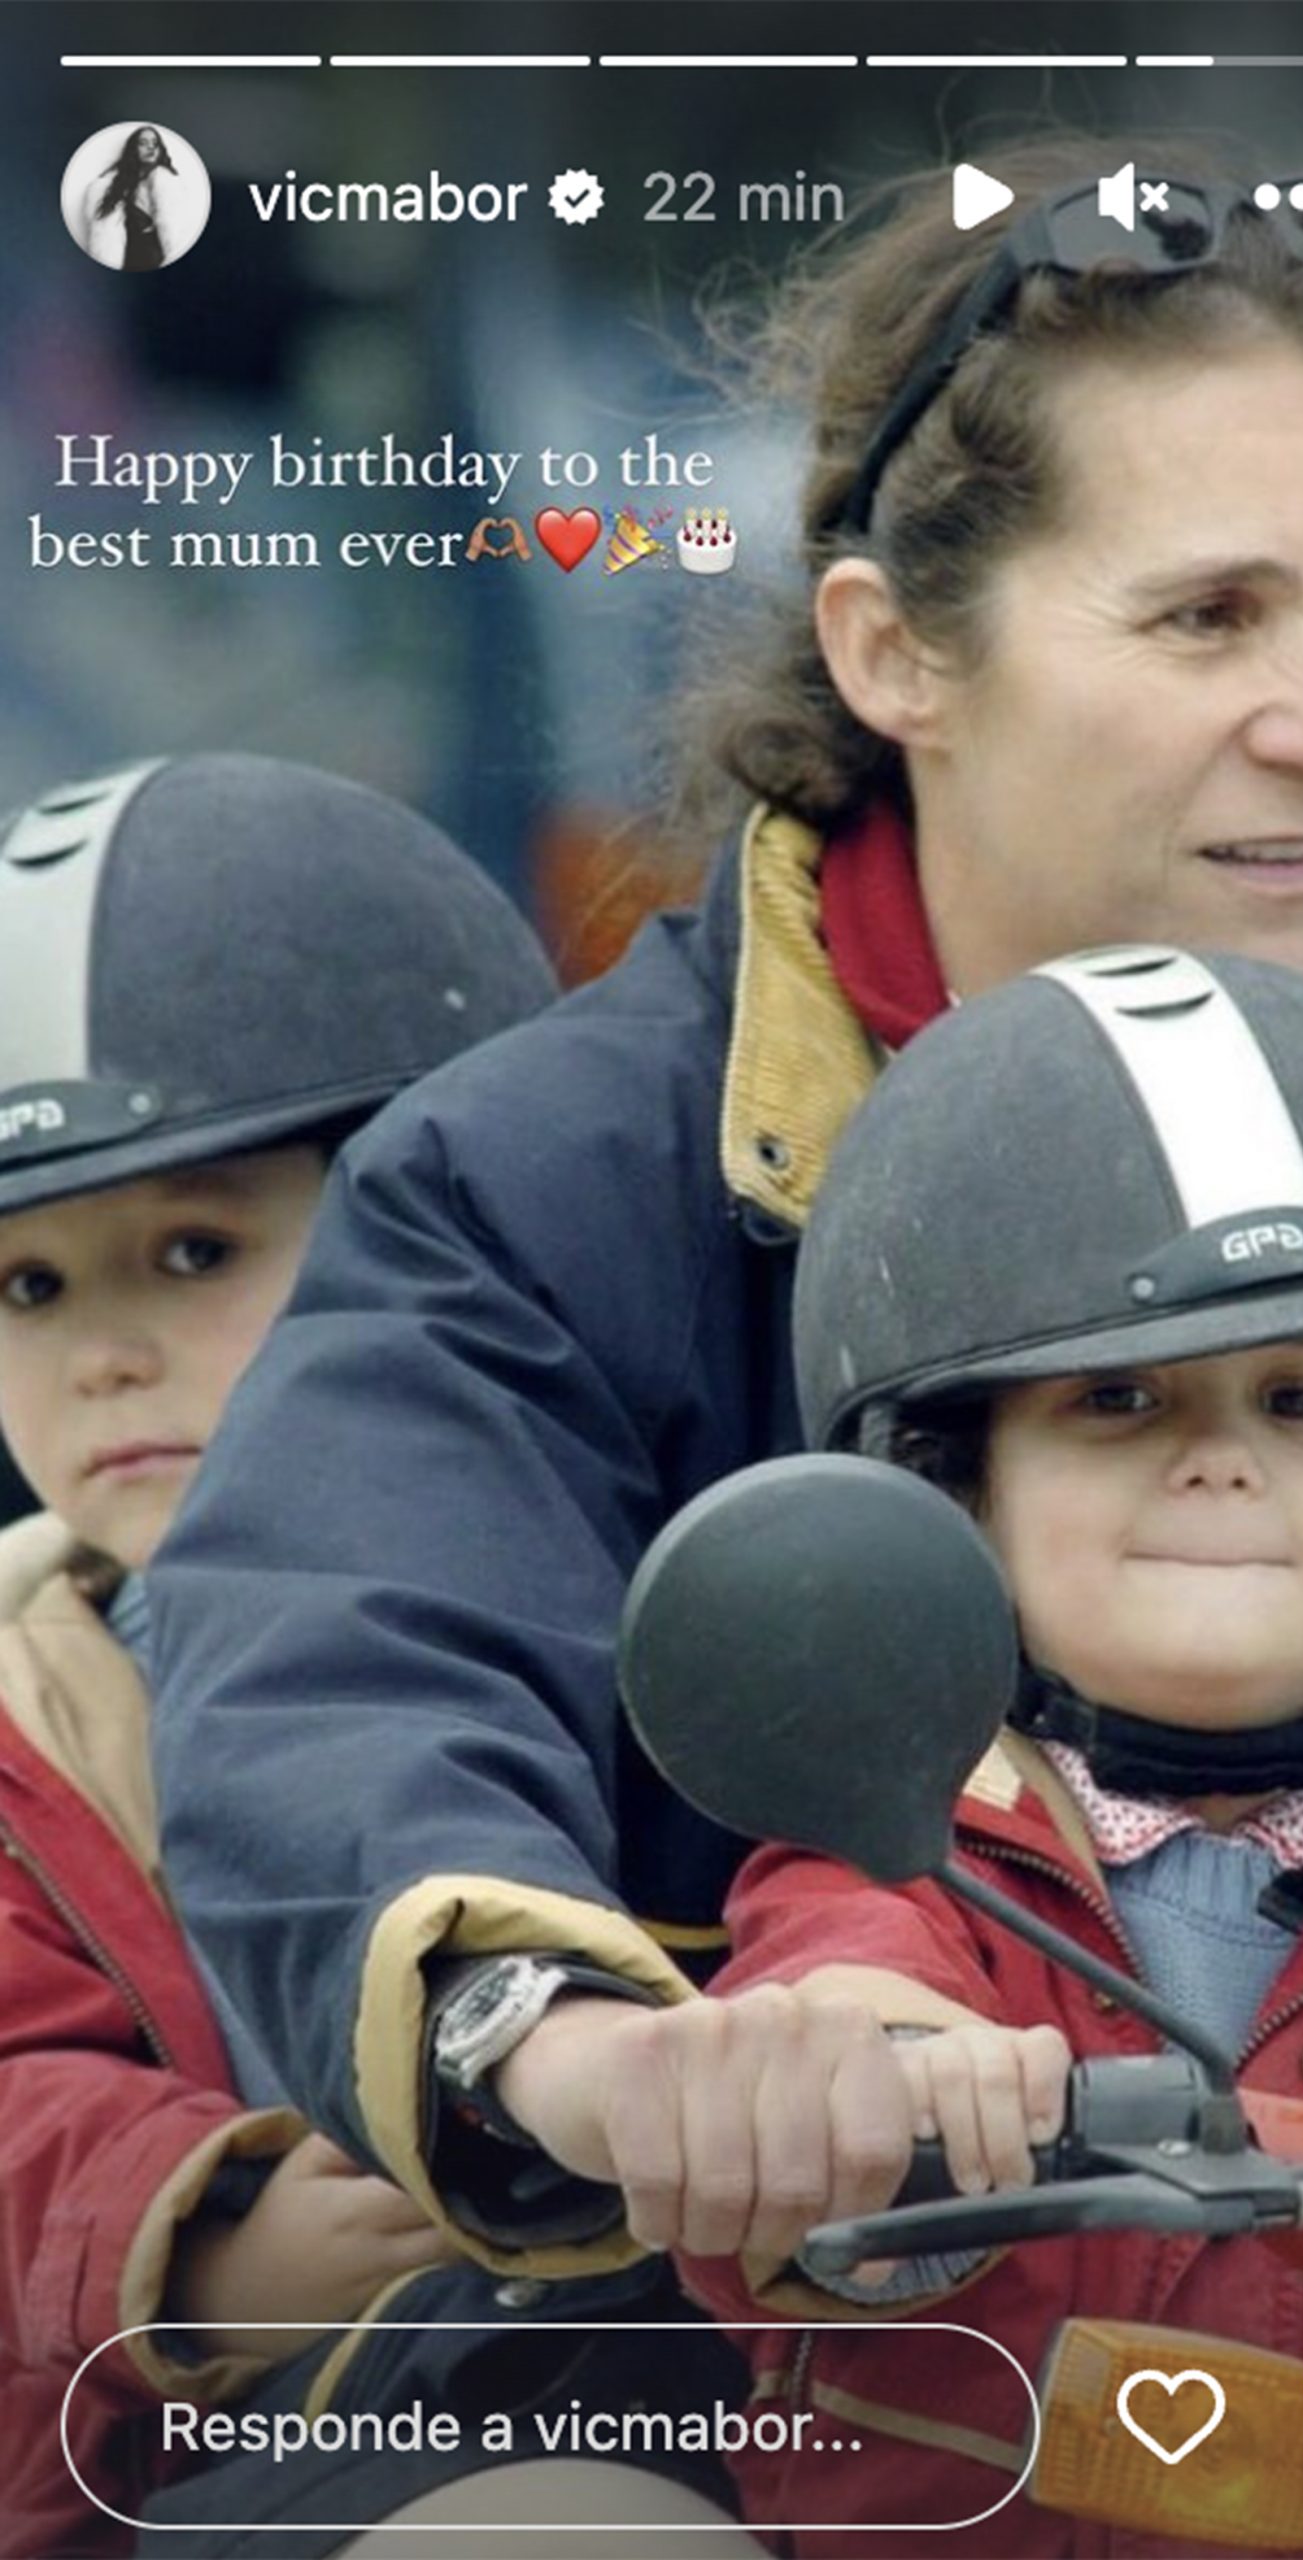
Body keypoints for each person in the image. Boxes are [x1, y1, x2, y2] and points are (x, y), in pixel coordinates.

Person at [147, 145, 1303, 2299]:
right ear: (893, 653)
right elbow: (339, 1667)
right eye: (1209, 612)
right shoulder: (544, 1182)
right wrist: (579, 2053)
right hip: (717, 2351)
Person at [678, 945, 1303, 2555]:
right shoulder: (889, 1850)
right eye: (1118, 1400)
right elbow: (829, 1978)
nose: (1222, 1464)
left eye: (1302, 1404)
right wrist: (856, 2071)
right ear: (956, 1490)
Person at [0, 753, 556, 2560]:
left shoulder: (604, 1597)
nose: (101, 1356)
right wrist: (202, 2231)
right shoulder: (23, 1715)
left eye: (191, 1247)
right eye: (30, 1287)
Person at [84, 125, 176, 270]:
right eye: (143, 143)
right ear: (134, 149)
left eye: (155, 143)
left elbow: (172, 223)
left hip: (152, 250)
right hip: (127, 250)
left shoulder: (165, 179)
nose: (150, 147)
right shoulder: (120, 180)